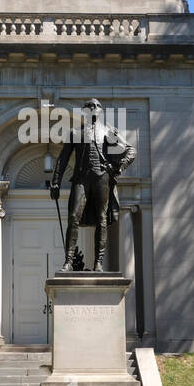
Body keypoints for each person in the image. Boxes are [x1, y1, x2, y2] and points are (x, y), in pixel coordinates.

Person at [49, 98, 136, 273]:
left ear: (101, 111)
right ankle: (68, 262)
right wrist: (56, 181)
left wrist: (117, 167)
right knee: (73, 217)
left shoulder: (108, 132)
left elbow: (130, 151)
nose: (94, 108)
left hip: (101, 178)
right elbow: (63, 158)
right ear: (84, 111)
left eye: (97, 106)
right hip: (81, 178)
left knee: (101, 219)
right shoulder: (74, 133)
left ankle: (98, 263)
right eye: (90, 106)